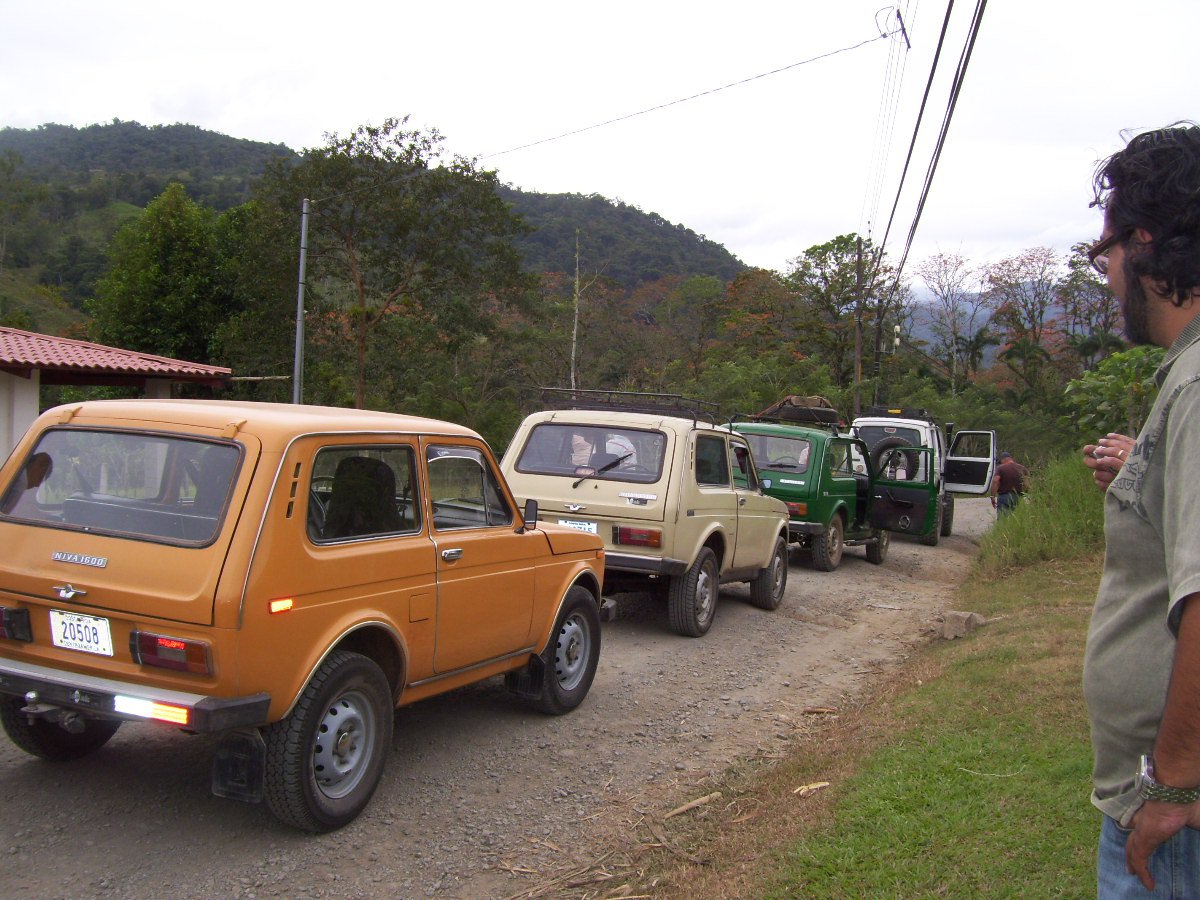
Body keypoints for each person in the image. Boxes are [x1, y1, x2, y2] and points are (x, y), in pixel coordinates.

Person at [1080, 122, 1200, 896]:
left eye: (1106, 252)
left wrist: (1177, 784)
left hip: (1173, 817)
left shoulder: (1195, 387)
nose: (1107, 275)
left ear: (1145, 246)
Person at [989, 451, 1027, 515]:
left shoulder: (1000, 468)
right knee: (1017, 518)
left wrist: (992, 496)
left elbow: (995, 481)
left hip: (1004, 496)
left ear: (1003, 459)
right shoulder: (1022, 468)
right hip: (1018, 497)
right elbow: (1027, 483)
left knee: (1003, 519)